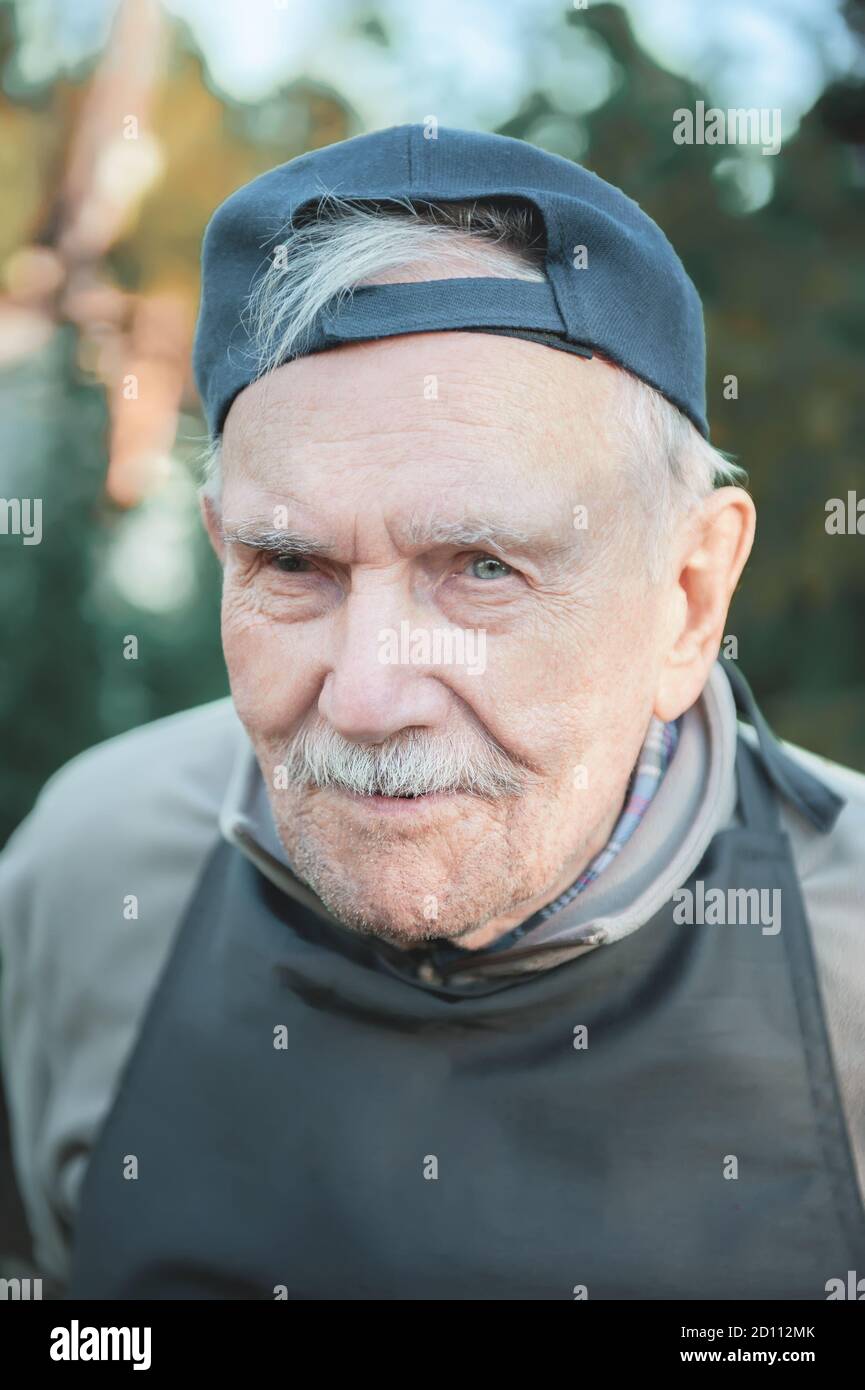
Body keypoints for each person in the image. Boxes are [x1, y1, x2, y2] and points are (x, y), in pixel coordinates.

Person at [2, 125, 864, 1300]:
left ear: (686, 597)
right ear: (221, 551)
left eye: (484, 567)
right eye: (292, 565)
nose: (365, 695)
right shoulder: (92, 869)